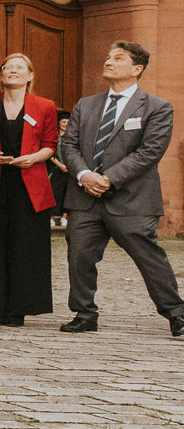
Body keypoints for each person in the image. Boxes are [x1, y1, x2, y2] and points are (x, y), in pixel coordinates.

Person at [58, 41, 184, 336]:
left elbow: (150, 152)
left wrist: (109, 178)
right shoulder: (85, 105)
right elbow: (69, 144)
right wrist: (85, 175)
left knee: (149, 258)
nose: (109, 61)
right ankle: (84, 313)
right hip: (84, 196)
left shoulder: (157, 107)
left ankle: (176, 313)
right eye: (108, 56)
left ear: (137, 69)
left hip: (132, 199)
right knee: (79, 256)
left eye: (118, 58)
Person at [0, 54, 57, 326]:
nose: (13, 71)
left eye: (20, 67)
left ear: (30, 75)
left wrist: (34, 158)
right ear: (1, 75)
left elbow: (51, 143)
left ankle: (19, 308)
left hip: (29, 183)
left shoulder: (45, 106)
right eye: (8, 67)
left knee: (26, 248)